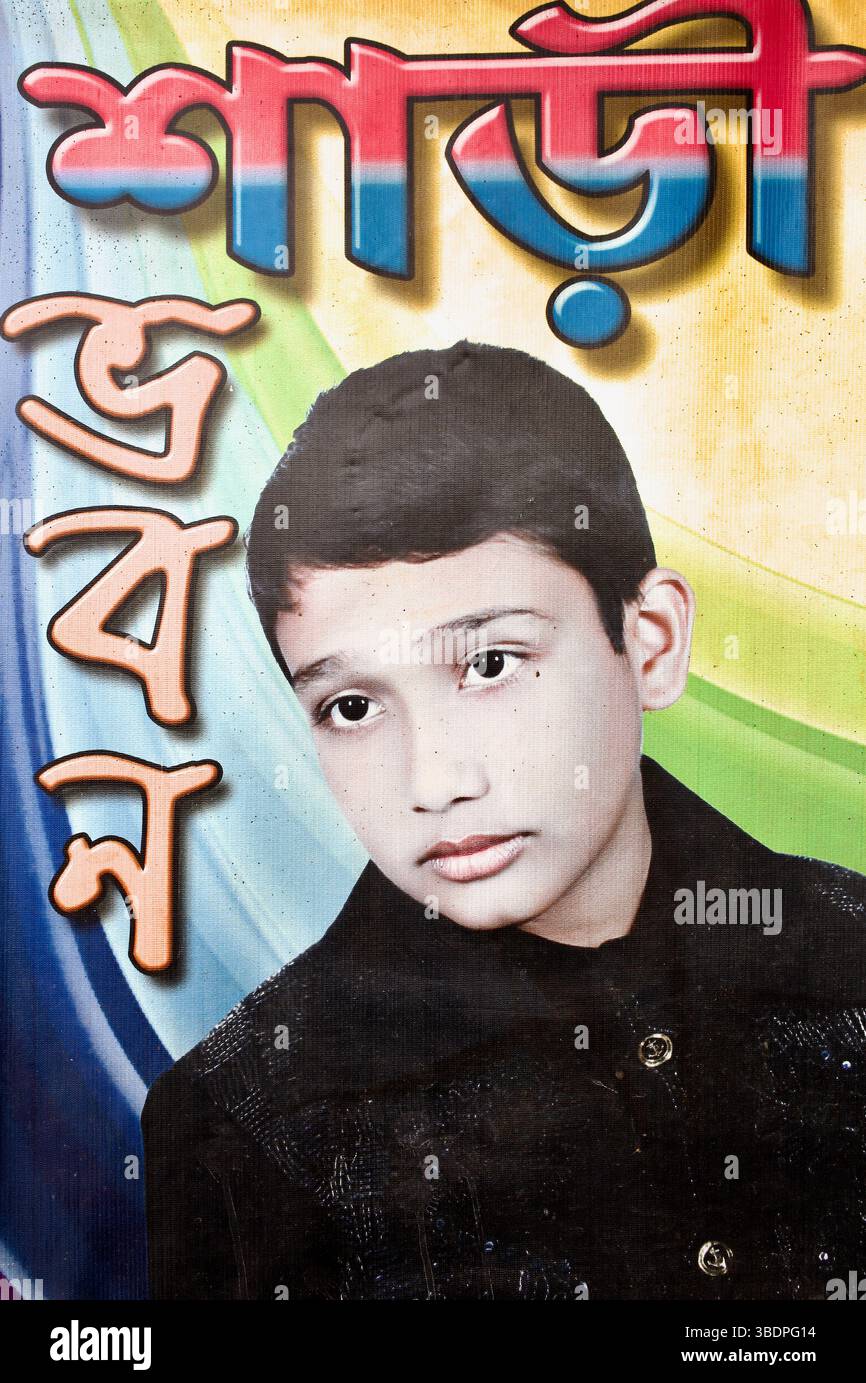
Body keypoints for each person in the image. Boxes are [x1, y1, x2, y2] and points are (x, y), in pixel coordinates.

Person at [142, 340, 866, 1300]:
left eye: (490, 664)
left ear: (649, 644)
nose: (433, 780)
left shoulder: (844, 956)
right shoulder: (238, 1122)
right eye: (352, 707)